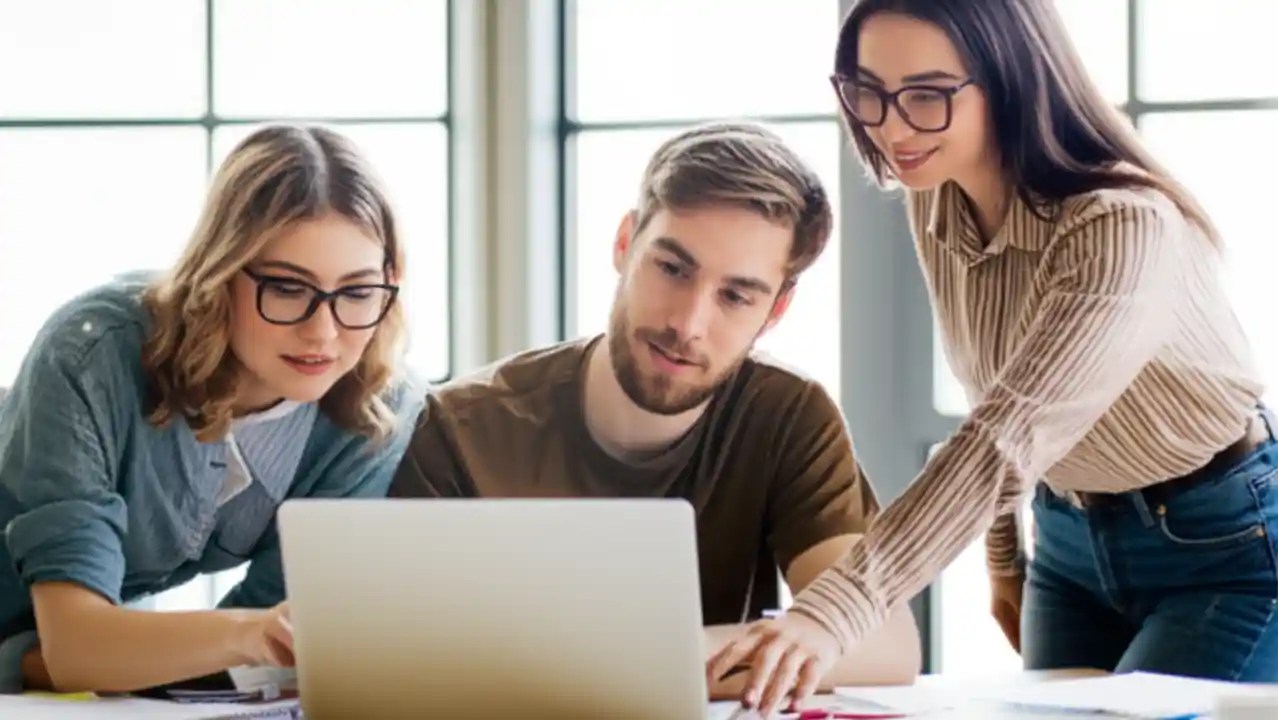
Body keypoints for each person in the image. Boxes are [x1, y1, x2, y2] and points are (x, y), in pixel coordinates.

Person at [709, 0, 1278, 714]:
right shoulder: (937, 195)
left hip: (1222, 540)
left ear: (1010, 77)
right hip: (1069, 538)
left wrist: (832, 611)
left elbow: (1010, 433)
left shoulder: (1123, 225)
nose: (890, 127)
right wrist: (1006, 557)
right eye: (868, 92)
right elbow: (999, 381)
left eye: (926, 95)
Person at [390, 122, 922, 696]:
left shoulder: (788, 416)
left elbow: (883, 643)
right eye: (672, 268)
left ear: (775, 310)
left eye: (736, 296)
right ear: (625, 243)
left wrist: (605, 666)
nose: (687, 324)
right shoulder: (460, 426)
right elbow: (401, 660)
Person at [0, 125, 423, 693]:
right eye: (287, 288)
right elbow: (80, 647)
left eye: (357, 292)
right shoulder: (92, 350)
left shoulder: (376, 408)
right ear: (220, 274)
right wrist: (246, 637)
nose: (323, 332)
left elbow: (275, 649)